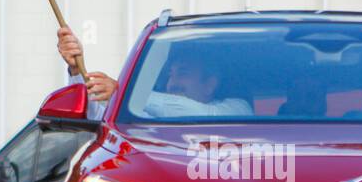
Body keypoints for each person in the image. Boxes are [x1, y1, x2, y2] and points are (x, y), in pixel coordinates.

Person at [56, 27, 252, 118]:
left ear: (210, 83)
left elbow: (201, 114)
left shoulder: (237, 110)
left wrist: (123, 93)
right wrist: (76, 68)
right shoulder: (146, 116)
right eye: (170, 75)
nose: (171, 83)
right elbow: (95, 117)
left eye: (182, 73)